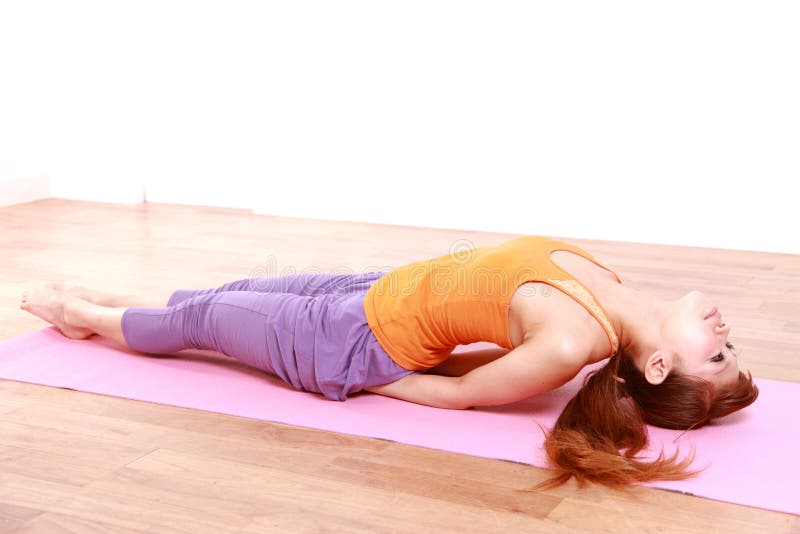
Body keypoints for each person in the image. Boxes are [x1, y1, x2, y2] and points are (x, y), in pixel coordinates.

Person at [19, 234, 758, 489]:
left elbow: (466, 393)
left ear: (658, 368)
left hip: (348, 341)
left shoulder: (571, 346)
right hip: (372, 291)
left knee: (205, 320)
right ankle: (109, 308)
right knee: (226, 297)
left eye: (716, 354)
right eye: (729, 347)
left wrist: (372, 377)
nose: (722, 331)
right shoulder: (615, 291)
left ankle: (78, 317)